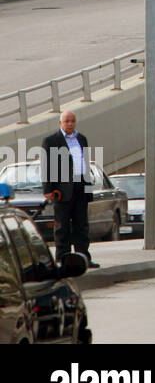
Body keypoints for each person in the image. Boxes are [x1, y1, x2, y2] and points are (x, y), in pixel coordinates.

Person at [41, 111, 97, 267]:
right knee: (62, 226)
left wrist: (88, 187)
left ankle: (83, 258)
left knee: (81, 225)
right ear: (60, 123)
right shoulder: (51, 141)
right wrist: (48, 189)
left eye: (72, 121)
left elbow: (85, 164)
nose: (70, 124)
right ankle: (63, 259)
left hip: (80, 187)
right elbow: (47, 167)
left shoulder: (81, 139)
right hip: (62, 189)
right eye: (67, 121)